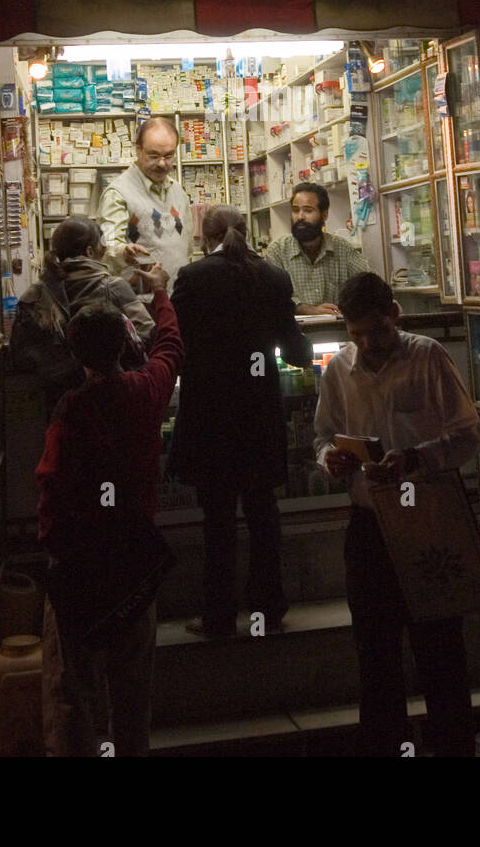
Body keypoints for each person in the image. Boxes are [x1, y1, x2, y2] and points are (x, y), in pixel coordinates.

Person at [314, 271, 480, 757]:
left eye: (377, 331)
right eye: (357, 334)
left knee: (441, 654)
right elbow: (323, 437)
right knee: (375, 656)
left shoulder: (428, 356)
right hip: (369, 530)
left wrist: (414, 457)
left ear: (395, 315)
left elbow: (468, 434)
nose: (368, 343)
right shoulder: (338, 371)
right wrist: (332, 460)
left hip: (430, 522)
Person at [36, 262, 182, 757]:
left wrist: (51, 548)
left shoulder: (72, 410)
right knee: (132, 686)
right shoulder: (146, 391)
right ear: (123, 345)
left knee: (75, 689)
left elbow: (52, 486)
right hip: (134, 559)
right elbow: (170, 348)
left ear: (76, 354)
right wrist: (161, 295)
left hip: (80, 562)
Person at [169, 206, 312, 638]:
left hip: (210, 414)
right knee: (263, 511)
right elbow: (295, 351)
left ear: (204, 236)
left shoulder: (192, 279)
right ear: (247, 233)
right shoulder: (272, 277)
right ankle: (268, 607)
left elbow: (175, 343)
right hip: (259, 413)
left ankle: (218, 615)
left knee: (218, 518)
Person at [10, 216, 153, 418]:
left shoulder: (33, 296)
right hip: (111, 405)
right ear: (89, 252)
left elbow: (21, 356)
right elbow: (146, 336)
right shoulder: (114, 287)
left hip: (55, 406)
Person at [97, 116, 193, 291]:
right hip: (140, 304)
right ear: (138, 150)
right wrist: (124, 252)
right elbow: (106, 247)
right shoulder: (118, 193)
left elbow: (187, 248)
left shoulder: (178, 191)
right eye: (154, 156)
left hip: (178, 297)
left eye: (168, 156)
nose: (162, 163)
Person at [264, 183, 369, 315]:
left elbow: (369, 285)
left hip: (337, 330)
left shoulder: (343, 249)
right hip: (294, 332)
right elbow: (270, 299)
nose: (300, 216)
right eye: (296, 210)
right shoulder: (277, 251)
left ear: (324, 215)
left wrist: (386, 302)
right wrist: (308, 309)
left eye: (308, 210)